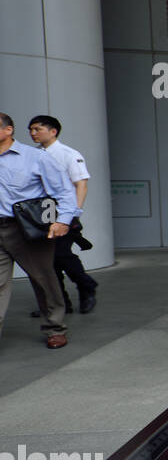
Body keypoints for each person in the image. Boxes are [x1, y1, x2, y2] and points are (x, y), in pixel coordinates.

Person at [0, 112, 81, 348]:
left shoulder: (36, 158)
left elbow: (64, 191)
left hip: (28, 229)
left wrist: (63, 221)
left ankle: (55, 328)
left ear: (8, 130)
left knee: (43, 279)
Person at [26, 115, 98, 316]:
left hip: (64, 210)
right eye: (30, 130)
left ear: (53, 131)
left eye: (37, 129)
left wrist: (74, 213)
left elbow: (80, 184)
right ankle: (60, 302)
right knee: (48, 260)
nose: (33, 133)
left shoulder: (68, 154)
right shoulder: (34, 155)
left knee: (61, 254)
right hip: (41, 212)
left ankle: (86, 286)